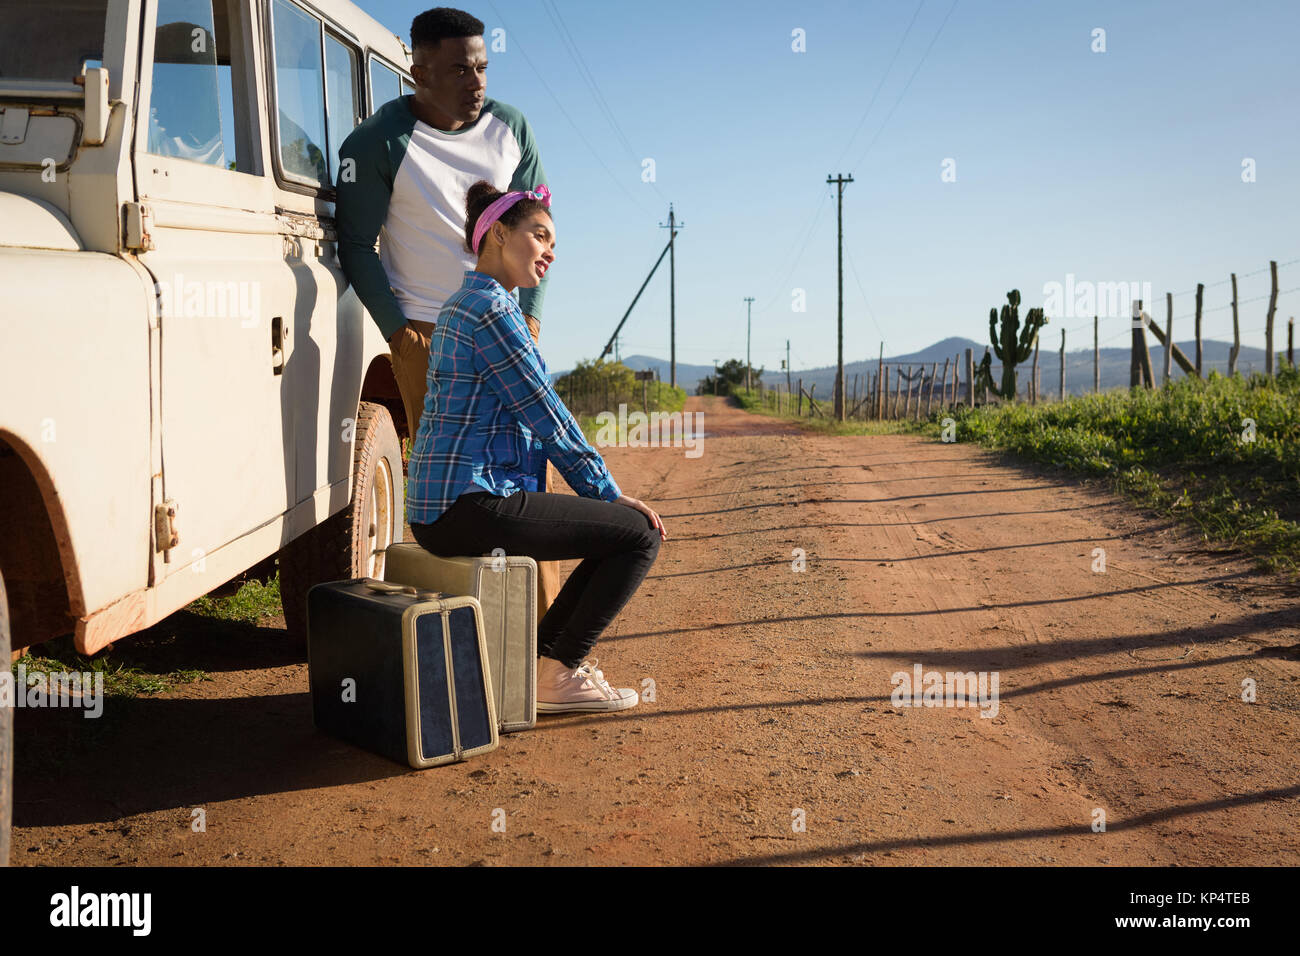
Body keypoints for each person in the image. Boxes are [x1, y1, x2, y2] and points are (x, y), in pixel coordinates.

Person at [335, 6, 565, 627]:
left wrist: (533, 318)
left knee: (523, 487)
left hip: (507, 329)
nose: (477, 82)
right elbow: (356, 243)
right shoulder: (375, 143)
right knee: (454, 498)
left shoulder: (511, 128)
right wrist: (400, 334)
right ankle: (464, 649)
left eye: (483, 67)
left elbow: (539, 231)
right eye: (461, 69)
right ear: (419, 69)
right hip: (429, 339)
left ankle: (542, 647)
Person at [407, 180, 666, 713]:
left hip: (443, 507)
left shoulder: (463, 304)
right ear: (500, 233)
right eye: (540, 235)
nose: (548, 253)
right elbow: (545, 412)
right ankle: (558, 671)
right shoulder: (492, 312)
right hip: (467, 504)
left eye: (553, 244)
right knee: (638, 534)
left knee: (611, 534)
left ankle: (545, 669)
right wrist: (606, 493)